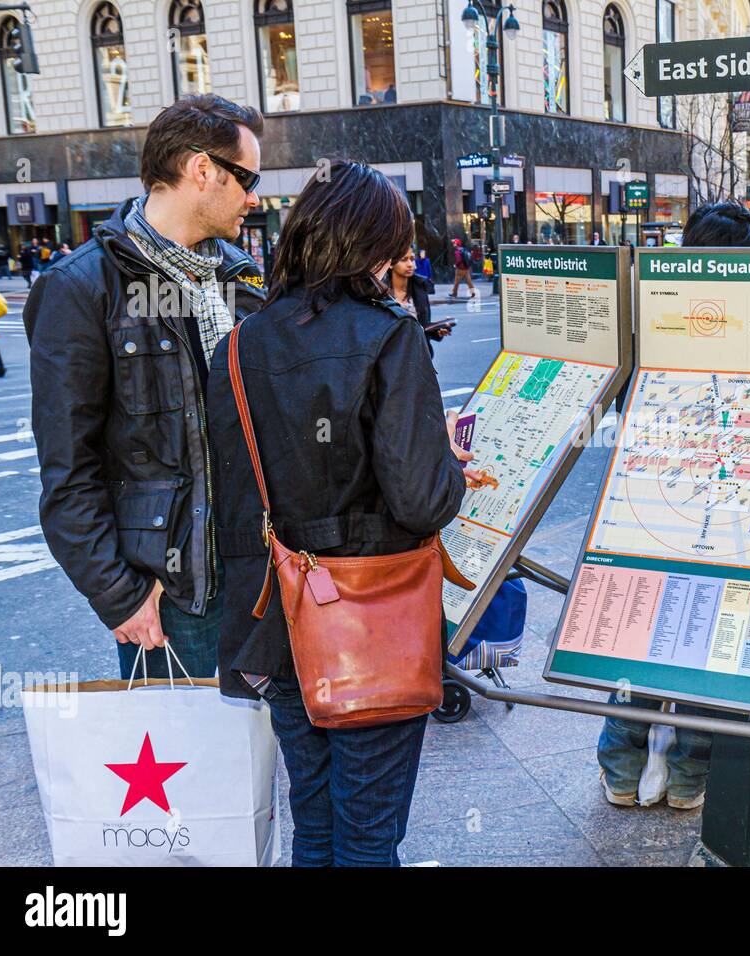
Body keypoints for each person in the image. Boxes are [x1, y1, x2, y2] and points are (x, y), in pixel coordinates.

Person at [206, 161, 476, 866]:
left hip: (277, 620)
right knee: (367, 833)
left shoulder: (237, 346)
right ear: (374, 245)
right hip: (370, 619)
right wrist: (446, 466)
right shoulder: (391, 335)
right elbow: (421, 499)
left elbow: (233, 498)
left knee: (317, 822)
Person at [23, 94, 267, 680]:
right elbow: (67, 470)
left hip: (262, 577)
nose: (254, 198)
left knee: (259, 765)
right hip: (174, 598)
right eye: (247, 178)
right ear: (201, 169)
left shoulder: (242, 278)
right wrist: (119, 595)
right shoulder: (81, 287)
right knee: (193, 768)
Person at [596, 200, 750, 811]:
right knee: (708, 634)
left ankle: (622, 767)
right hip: (722, 503)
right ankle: (689, 773)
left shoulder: (651, 306)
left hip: (651, 495)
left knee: (643, 635)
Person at [385, 249, 449, 356]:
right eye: (404, 260)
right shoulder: (380, 292)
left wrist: (437, 330)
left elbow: (422, 326)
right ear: (391, 264)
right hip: (390, 357)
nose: (410, 264)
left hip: (418, 357)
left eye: (412, 259)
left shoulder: (420, 287)